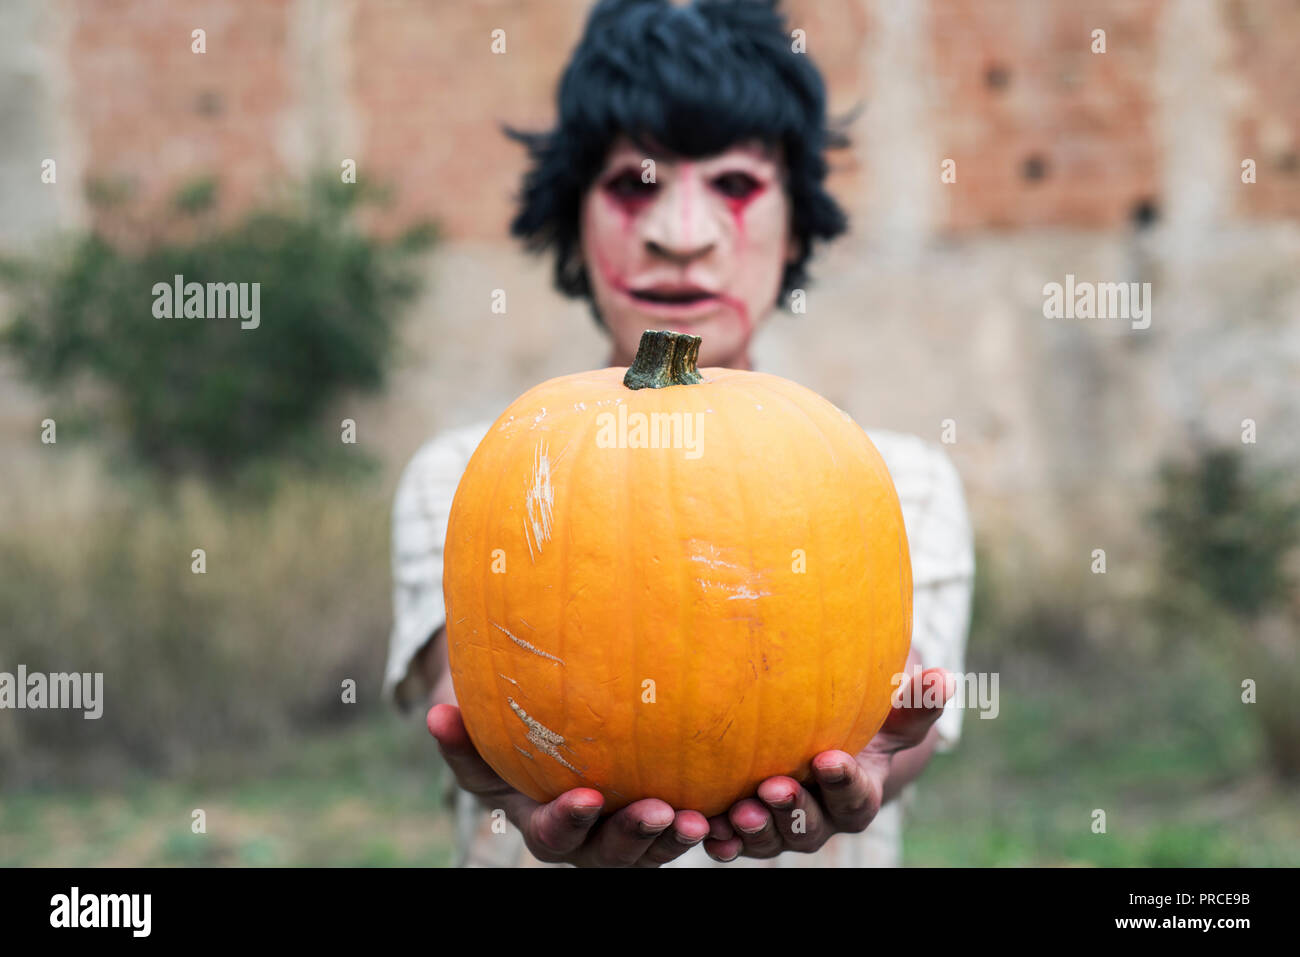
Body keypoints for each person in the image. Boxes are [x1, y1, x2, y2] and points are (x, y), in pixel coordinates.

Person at [384, 0, 974, 867]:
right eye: (634, 184)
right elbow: (475, 686)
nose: (681, 235)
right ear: (575, 222)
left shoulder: (898, 475)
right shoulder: (472, 468)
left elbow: (901, 722)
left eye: (734, 185)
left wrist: (880, 750)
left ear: (797, 224)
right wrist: (515, 768)